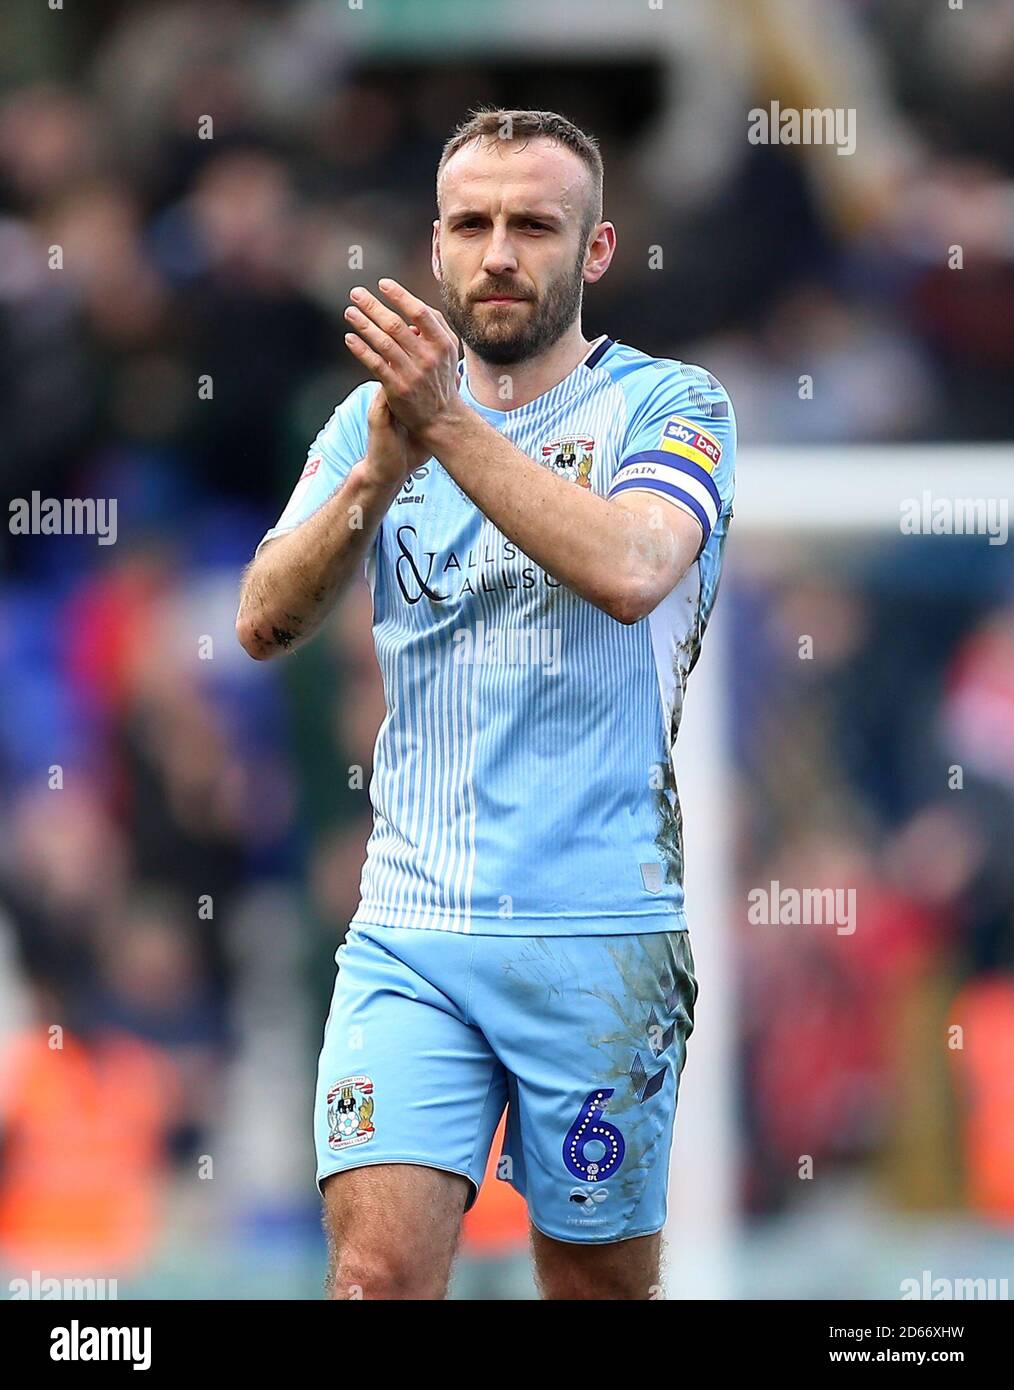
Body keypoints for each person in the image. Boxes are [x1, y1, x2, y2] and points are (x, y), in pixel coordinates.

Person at [236, 108, 736, 1300]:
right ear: (438, 242)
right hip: (414, 928)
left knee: (594, 1288)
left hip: (598, 929)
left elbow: (629, 570)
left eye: (533, 224)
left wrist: (446, 428)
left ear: (597, 250)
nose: (499, 251)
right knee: (373, 1279)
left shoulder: (673, 407)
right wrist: (378, 472)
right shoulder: (373, 424)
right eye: (472, 223)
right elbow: (262, 618)